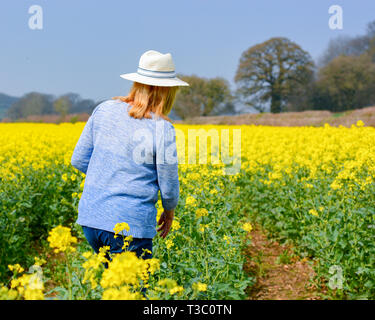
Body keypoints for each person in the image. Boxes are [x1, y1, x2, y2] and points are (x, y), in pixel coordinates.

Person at [71, 50, 189, 263]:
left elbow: (78, 159)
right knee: (135, 294)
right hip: (129, 225)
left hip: (92, 220)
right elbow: (169, 185)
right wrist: (169, 211)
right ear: (168, 91)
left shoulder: (104, 109)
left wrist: (111, 174)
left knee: (114, 289)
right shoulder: (161, 127)